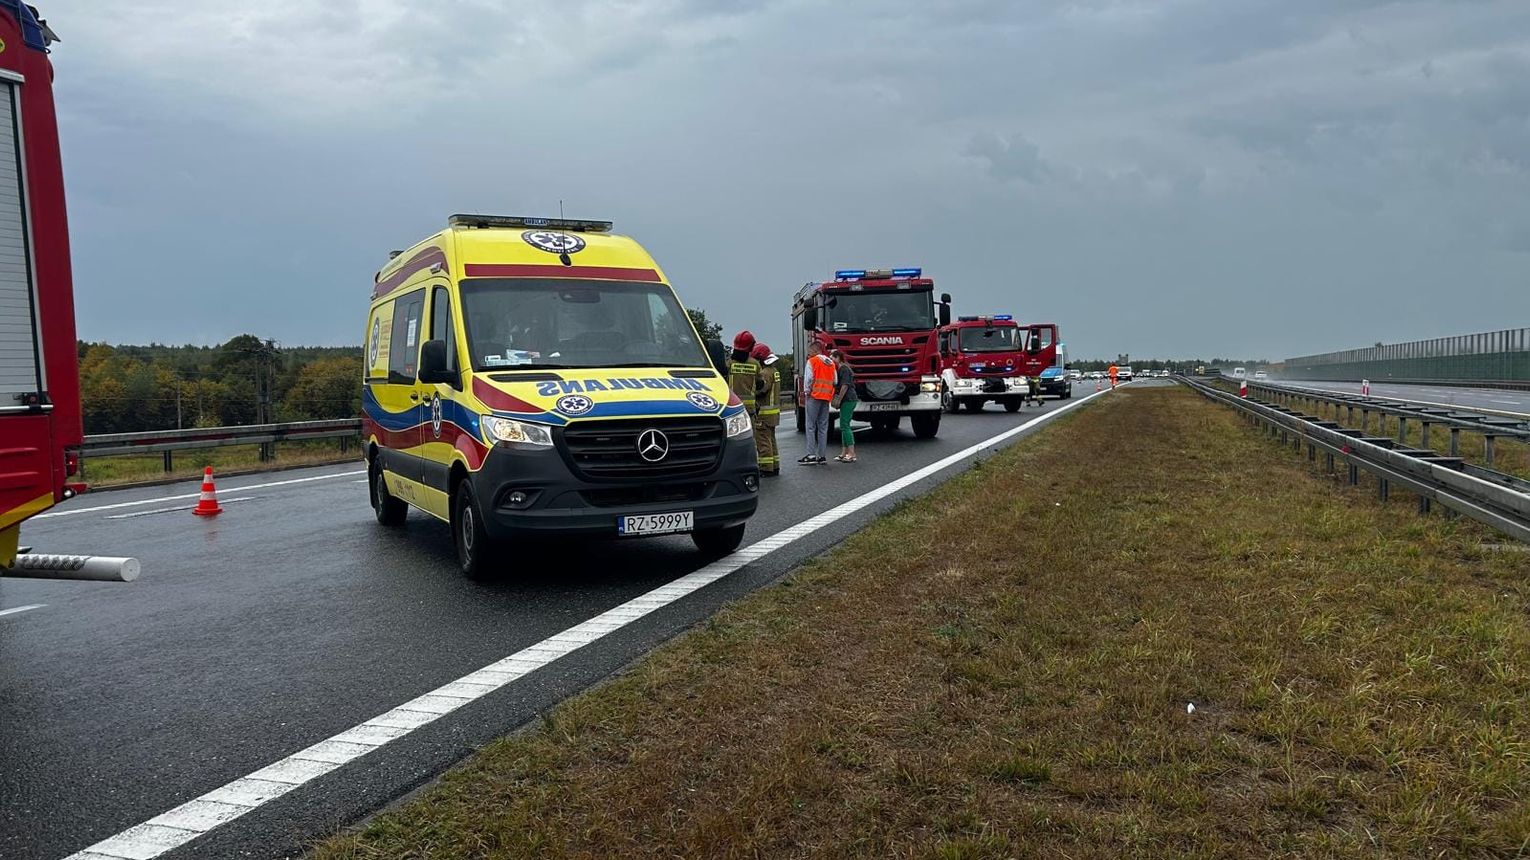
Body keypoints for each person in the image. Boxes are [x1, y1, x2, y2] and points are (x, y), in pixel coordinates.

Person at [799, 339, 834, 465]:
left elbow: (809, 379)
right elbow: (834, 380)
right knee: (823, 426)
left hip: (814, 396)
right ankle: (822, 456)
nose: (809, 354)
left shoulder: (812, 361)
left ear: (814, 350)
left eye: (810, 351)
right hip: (826, 397)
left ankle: (811, 455)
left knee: (810, 426)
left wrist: (806, 391)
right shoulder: (830, 362)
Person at [751, 343, 780, 475]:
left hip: (764, 413)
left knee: (763, 441)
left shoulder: (765, 373)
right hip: (773, 413)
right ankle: (775, 466)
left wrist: (750, 391)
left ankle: (766, 468)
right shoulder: (774, 371)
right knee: (771, 440)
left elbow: (762, 390)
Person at [831, 349, 858, 462]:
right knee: (843, 425)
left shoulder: (844, 369)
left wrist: (839, 399)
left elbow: (845, 386)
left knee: (845, 425)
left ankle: (852, 453)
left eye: (832, 358)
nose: (831, 360)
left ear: (838, 358)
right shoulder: (841, 368)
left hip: (848, 399)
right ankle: (844, 452)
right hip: (846, 400)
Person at [728, 330, 759, 416]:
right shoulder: (755, 364)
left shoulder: (729, 363)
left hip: (733, 406)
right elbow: (760, 384)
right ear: (751, 347)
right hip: (750, 409)